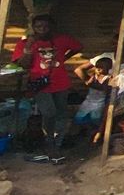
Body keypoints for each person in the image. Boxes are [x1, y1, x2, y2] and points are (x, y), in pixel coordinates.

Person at [12, 14, 82, 162]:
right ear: (33, 28)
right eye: (38, 27)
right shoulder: (25, 43)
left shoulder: (61, 39)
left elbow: (78, 47)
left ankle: (57, 144)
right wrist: (29, 47)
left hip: (60, 83)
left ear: (52, 27)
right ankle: (49, 142)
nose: (42, 30)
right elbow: (23, 64)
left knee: (62, 114)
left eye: (46, 27)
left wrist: (64, 57)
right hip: (39, 84)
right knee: (49, 112)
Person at [72, 53, 114, 134]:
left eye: (101, 68)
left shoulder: (108, 78)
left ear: (108, 68)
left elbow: (104, 88)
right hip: (89, 100)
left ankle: (94, 133)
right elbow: (89, 83)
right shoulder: (94, 76)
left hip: (99, 102)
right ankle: (80, 131)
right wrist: (91, 81)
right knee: (80, 115)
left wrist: (92, 84)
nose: (98, 70)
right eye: (97, 68)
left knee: (96, 118)